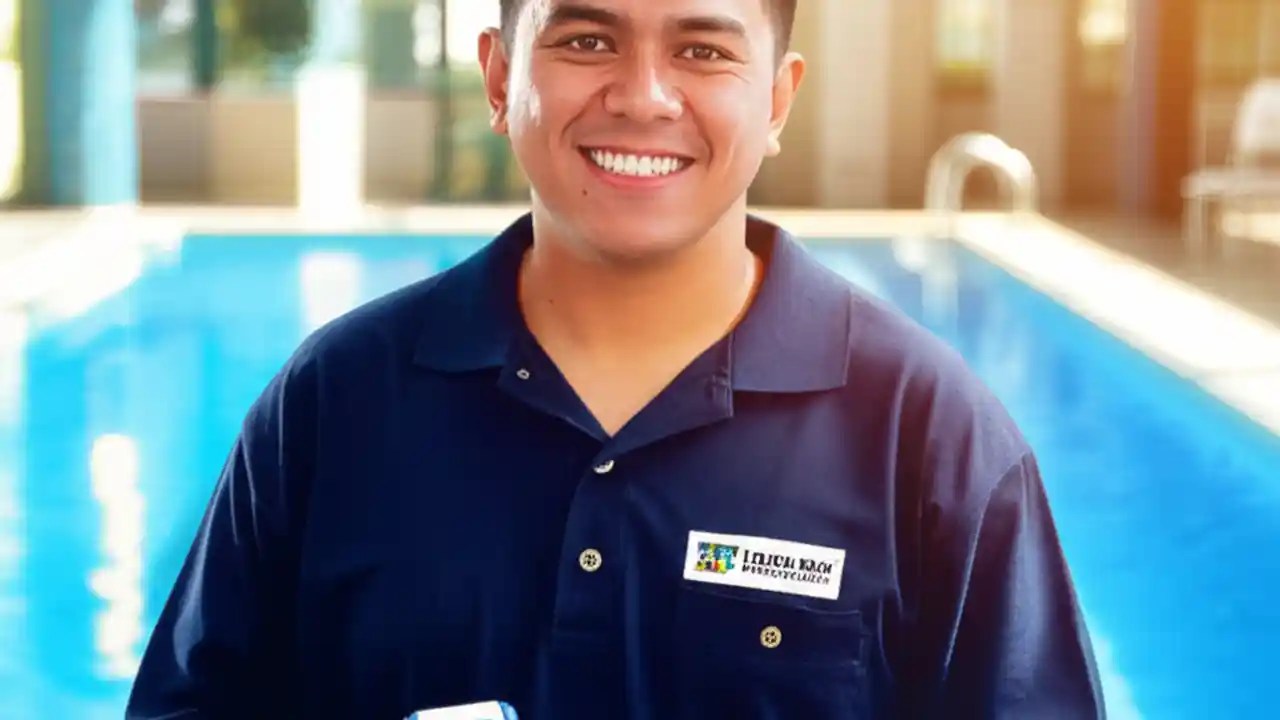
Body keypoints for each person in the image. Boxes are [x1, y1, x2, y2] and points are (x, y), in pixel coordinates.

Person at [127, 0, 1106, 718]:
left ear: (776, 98)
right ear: (502, 79)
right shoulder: (333, 405)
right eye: (585, 40)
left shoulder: (928, 440)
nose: (641, 97)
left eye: (700, 48)